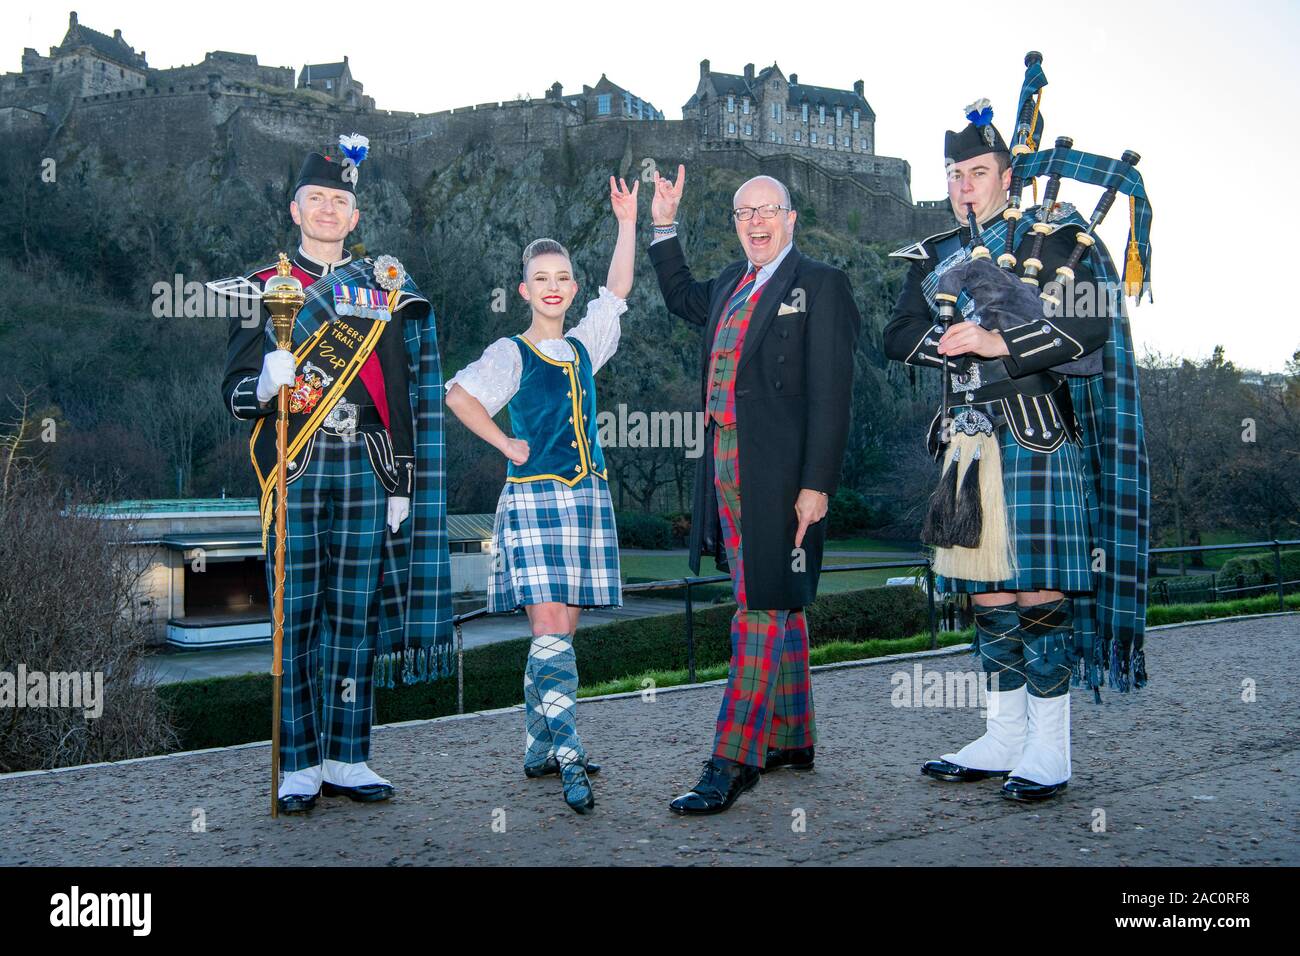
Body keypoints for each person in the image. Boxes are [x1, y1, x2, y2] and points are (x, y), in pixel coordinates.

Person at [883, 101, 1145, 801]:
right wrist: (950, 343)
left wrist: (998, 341)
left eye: (977, 172)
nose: (963, 185)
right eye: (953, 174)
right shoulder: (936, 254)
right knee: (988, 590)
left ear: (1006, 175)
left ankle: (1049, 749)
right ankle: (1002, 733)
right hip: (967, 440)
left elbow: (1087, 326)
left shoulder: (1055, 238)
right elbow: (898, 333)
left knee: (1038, 589)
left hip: (1034, 433)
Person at [220, 135, 453, 814]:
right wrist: (264, 386)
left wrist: (402, 479)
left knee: (354, 617)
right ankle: (297, 765)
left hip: (366, 464)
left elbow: (404, 388)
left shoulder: (385, 288)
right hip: (293, 465)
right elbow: (232, 391)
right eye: (315, 198)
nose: (327, 209)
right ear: (295, 208)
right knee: (295, 619)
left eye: (339, 201)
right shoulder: (259, 289)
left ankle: (347, 757)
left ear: (355, 216)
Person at [648, 166, 860, 815]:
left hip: (781, 473)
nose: (758, 221)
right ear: (737, 224)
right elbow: (681, 294)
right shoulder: (729, 287)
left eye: (769, 209)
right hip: (724, 464)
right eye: (745, 213)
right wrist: (663, 226)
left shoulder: (820, 284)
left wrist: (816, 485)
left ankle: (732, 760)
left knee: (760, 605)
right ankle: (793, 740)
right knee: (770, 594)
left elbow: (832, 393)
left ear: (790, 218)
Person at [443, 177, 638, 814]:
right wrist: (505, 443)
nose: (553, 286)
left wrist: (628, 223)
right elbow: (458, 396)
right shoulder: (510, 353)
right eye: (541, 279)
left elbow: (618, 292)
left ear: (570, 288)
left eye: (563, 277)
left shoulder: (585, 347)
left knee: (561, 636)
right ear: (525, 291)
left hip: (586, 503)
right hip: (533, 502)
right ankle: (569, 753)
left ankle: (536, 742)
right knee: (551, 630)